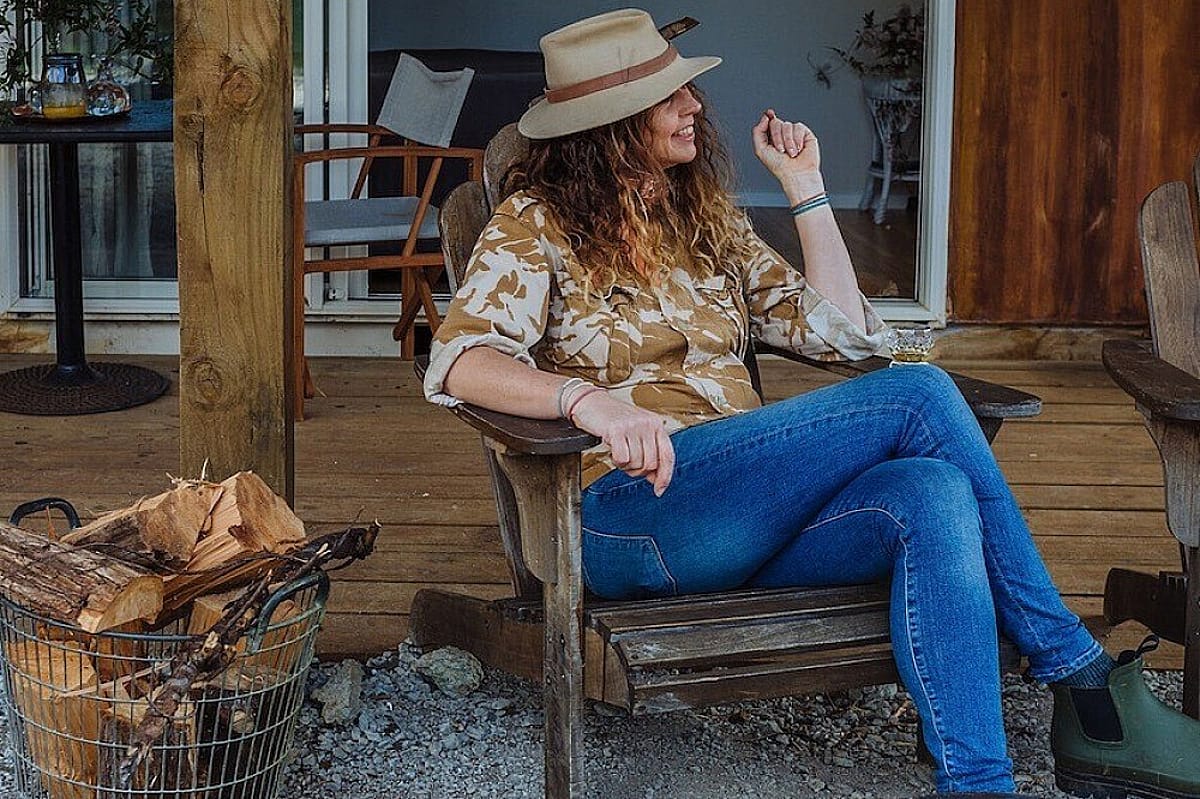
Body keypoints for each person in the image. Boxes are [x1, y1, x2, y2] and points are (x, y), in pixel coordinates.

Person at [423, 8, 1200, 797]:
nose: (695, 105)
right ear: (612, 123)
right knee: (919, 393)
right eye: (671, 96)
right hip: (632, 515)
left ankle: (981, 782)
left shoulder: (703, 221)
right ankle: (1079, 671)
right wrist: (587, 400)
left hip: (745, 514)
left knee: (933, 492)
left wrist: (808, 190)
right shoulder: (534, 227)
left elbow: (838, 336)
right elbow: (461, 361)